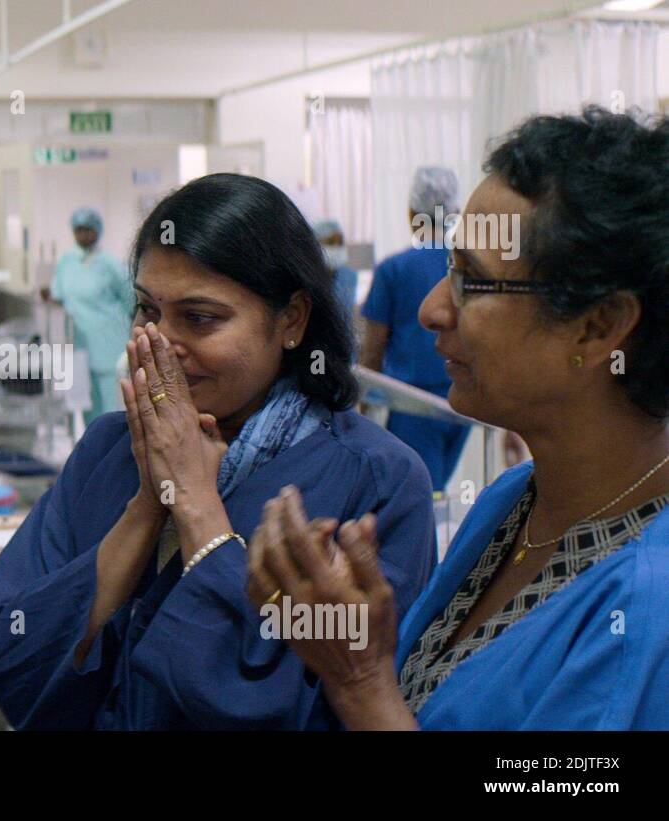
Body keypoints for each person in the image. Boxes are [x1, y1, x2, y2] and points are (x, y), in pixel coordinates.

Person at [247, 108, 669, 729]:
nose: (432, 309)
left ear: (598, 326)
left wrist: (361, 682)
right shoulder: (513, 501)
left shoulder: (646, 610)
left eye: (472, 280)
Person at [0, 174, 436, 730]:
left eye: (200, 318)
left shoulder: (377, 479)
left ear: (291, 319)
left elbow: (292, 708)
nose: (159, 343)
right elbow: (10, 645)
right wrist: (148, 502)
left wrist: (194, 502)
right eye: (147, 310)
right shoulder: (110, 449)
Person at [360, 167, 470, 491]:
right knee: (436, 493)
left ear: (411, 214)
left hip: (412, 407)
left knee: (417, 498)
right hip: (461, 402)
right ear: (455, 214)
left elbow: (372, 352)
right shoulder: (470, 268)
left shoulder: (394, 269)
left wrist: (364, 413)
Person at [44, 207, 134, 424]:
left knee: (110, 404)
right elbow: (60, 295)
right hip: (80, 344)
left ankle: (112, 454)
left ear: (98, 231)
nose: (84, 235)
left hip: (109, 343)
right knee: (86, 405)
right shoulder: (67, 262)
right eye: (79, 230)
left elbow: (130, 298)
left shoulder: (109, 264)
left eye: (88, 230)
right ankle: (93, 452)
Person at [313, 218, 358, 320]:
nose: (336, 247)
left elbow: (346, 315)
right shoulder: (307, 276)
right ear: (315, 245)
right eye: (330, 242)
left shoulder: (349, 276)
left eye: (340, 242)